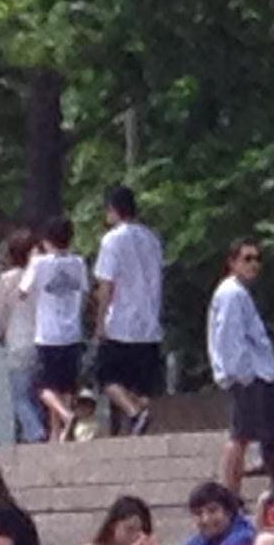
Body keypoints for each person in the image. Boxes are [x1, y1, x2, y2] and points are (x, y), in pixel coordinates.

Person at [209, 238, 274, 490]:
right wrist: (242, 374)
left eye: (257, 259)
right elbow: (230, 336)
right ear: (232, 263)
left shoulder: (239, 292)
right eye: (247, 259)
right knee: (240, 436)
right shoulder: (232, 294)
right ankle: (229, 491)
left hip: (258, 375)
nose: (254, 264)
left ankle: (271, 473)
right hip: (247, 376)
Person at [92, 184, 167, 434]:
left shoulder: (112, 240)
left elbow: (106, 284)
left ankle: (135, 413)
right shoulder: (152, 239)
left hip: (121, 323)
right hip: (149, 322)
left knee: (106, 377)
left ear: (113, 209)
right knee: (142, 384)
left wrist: (100, 323)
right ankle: (140, 412)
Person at [19, 222, 92, 442]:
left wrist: (32, 262)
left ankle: (66, 416)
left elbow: (22, 291)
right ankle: (57, 432)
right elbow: (85, 292)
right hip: (72, 332)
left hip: (48, 334)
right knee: (66, 387)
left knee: (44, 388)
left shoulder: (39, 263)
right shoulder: (78, 262)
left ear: (46, 240)